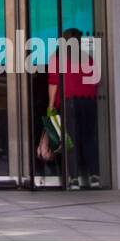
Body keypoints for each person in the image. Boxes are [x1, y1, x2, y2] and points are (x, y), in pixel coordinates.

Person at [47, 27, 100, 189]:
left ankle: (73, 177)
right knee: (89, 138)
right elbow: (96, 81)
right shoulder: (88, 59)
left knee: (70, 140)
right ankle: (95, 176)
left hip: (68, 102)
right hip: (89, 102)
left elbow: (54, 83)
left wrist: (50, 106)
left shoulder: (57, 59)